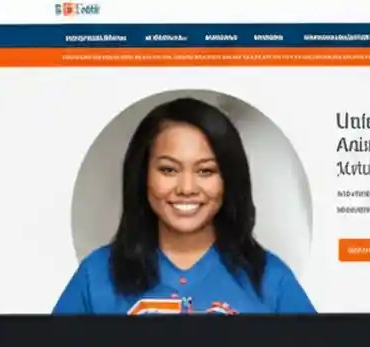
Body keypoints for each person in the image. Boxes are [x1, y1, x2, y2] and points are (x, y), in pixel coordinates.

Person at [53, 97, 316, 315]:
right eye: (168, 169)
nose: (186, 188)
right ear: (143, 174)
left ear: (229, 179)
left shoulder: (271, 279)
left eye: (206, 171)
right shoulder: (96, 275)